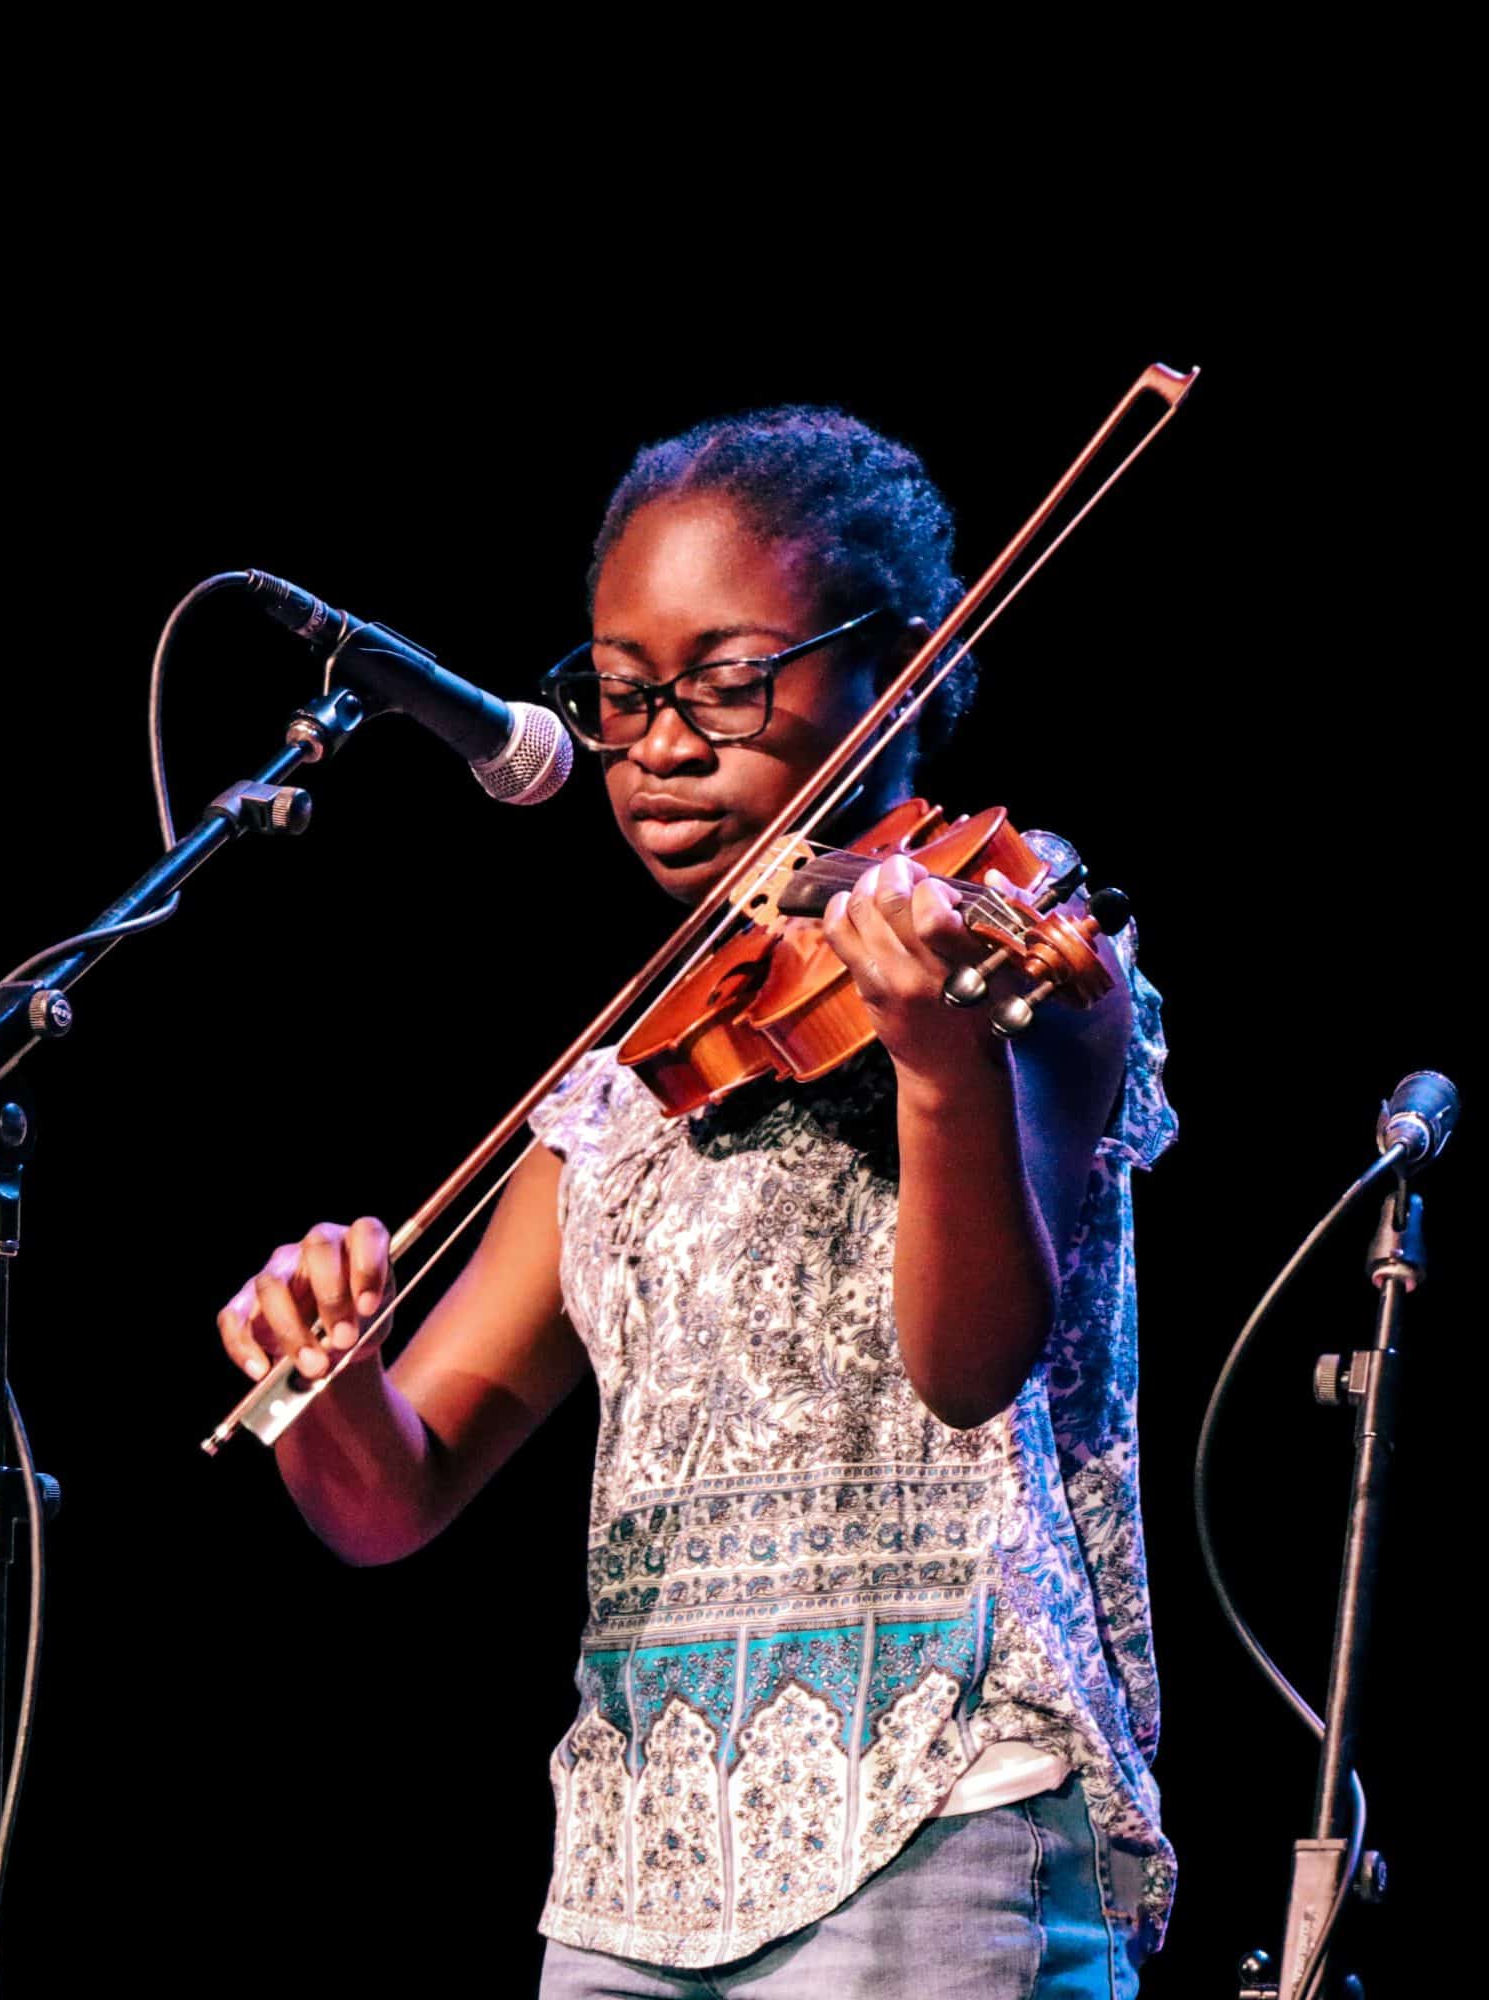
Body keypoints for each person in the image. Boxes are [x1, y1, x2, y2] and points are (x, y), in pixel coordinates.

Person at [215, 408, 1177, 1998]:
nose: (661, 743)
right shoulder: (627, 1081)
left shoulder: (1019, 957)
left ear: (902, 673)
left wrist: (938, 1063)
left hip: (935, 1820)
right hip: (630, 1873)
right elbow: (396, 1499)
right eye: (619, 691)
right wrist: (327, 1384)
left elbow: (967, 1370)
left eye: (729, 684)